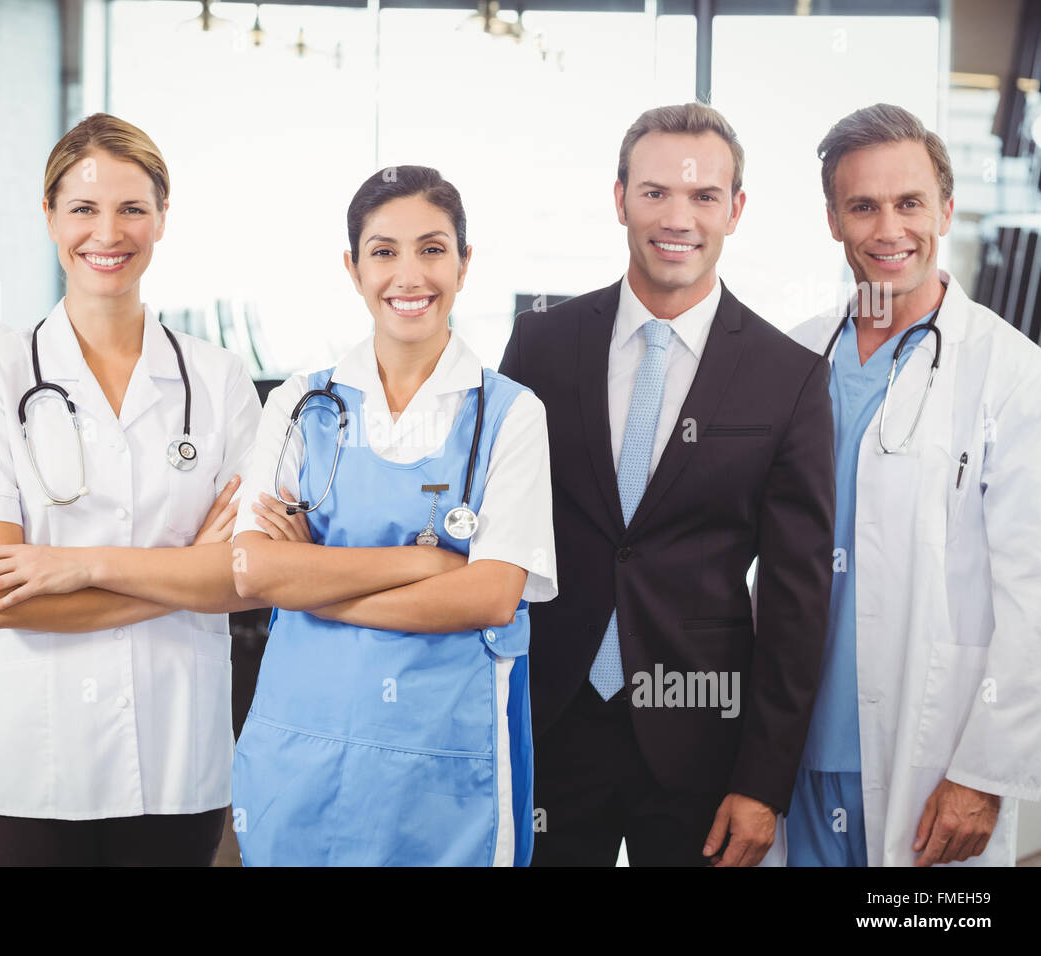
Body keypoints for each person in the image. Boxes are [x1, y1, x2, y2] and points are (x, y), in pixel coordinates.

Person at [500, 103, 835, 867]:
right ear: (619, 199)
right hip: (548, 721)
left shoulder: (787, 378)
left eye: (703, 196)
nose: (677, 217)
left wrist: (763, 782)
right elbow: (495, 525)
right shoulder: (541, 343)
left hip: (702, 741)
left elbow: (796, 598)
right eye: (654, 193)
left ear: (735, 210)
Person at [0, 113, 265, 866]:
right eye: (83, 208)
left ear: (161, 218)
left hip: (178, 762)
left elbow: (253, 580)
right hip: (33, 771)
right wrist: (187, 573)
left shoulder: (215, 379)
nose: (107, 233)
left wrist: (78, 565)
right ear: (49, 214)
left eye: (131, 208)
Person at [229, 165, 557, 866]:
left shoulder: (511, 415)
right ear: (352, 269)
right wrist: (419, 564)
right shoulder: (300, 403)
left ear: (465, 264)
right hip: (301, 752)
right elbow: (253, 569)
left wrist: (314, 580)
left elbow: (492, 594)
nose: (409, 274)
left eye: (433, 249)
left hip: (442, 765)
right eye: (384, 251)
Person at [784, 103, 1041, 867]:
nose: (889, 229)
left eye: (909, 203)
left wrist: (983, 772)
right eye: (863, 206)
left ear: (946, 209)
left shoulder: (1011, 372)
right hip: (792, 749)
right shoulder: (796, 356)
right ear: (834, 220)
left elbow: (1034, 591)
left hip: (931, 752)